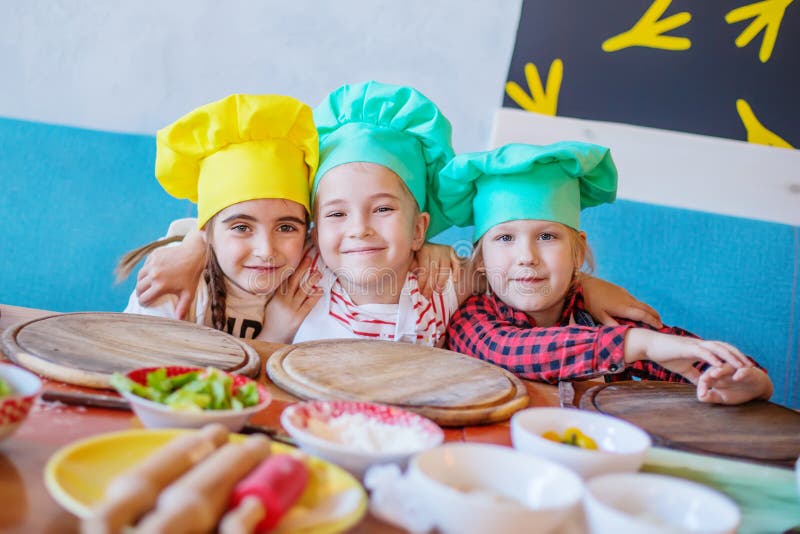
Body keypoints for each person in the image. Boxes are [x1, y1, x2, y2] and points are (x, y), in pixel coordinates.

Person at [132, 82, 663, 347]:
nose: (359, 229)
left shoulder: (442, 276)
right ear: (320, 228)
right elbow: (225, 225)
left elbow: (514, 274)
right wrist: (190, 247)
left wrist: (585, 286)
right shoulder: (301, 265)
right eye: (336, 214)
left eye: (384, 209)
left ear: (419, 227)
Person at [441, 142, 772, 404]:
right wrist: (639, 344)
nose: (526, 256)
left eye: (547, 236)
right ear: (481, 259)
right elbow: (513, 349)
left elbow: (680, 353)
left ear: (577, 252)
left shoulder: (598, 316)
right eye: (505, 238)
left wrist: (745, 380)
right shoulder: (474, 319)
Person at [123, 94, 322, 343]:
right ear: (206, 230)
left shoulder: (312, 275)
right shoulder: (172, 282)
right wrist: (271, 338)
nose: (266, 249)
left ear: (308, 230)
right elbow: (151, 375)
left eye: (285, 227)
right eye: (242, 227)